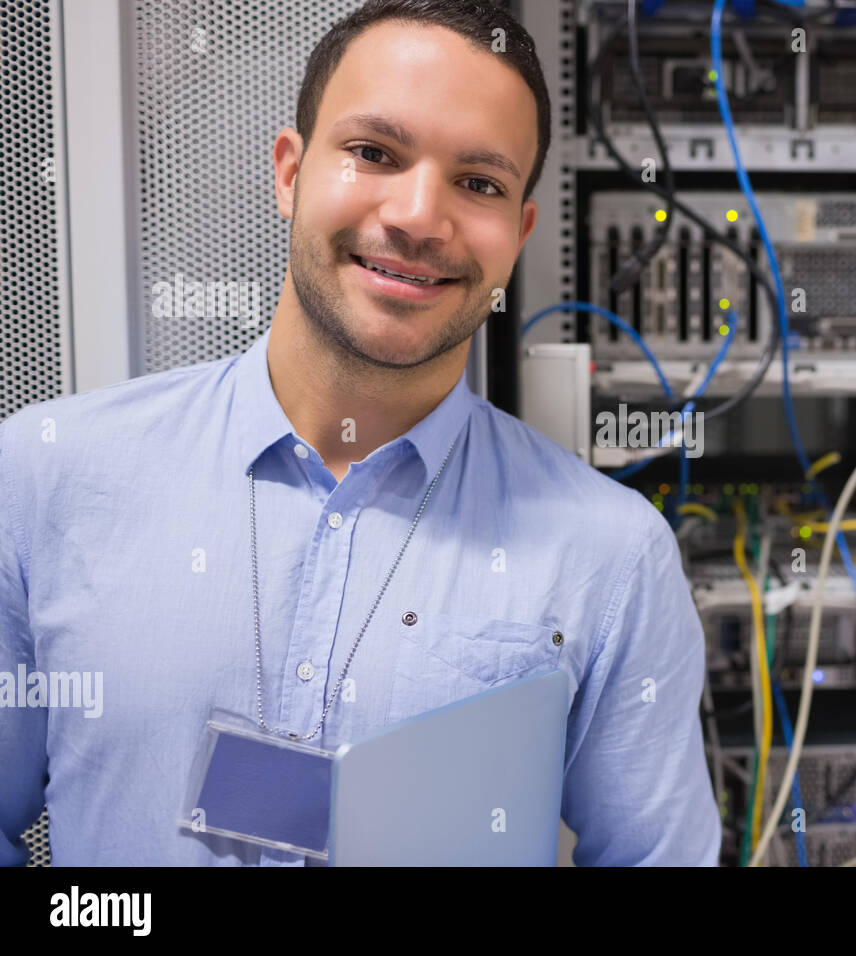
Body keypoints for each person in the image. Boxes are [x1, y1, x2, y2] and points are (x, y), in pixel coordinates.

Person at [0, 0, 719, 866]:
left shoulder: (612, 557)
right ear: (288, 172)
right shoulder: (46, 479)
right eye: (374, 152)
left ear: (519, 235)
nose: (419, 216)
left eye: (481, 183)